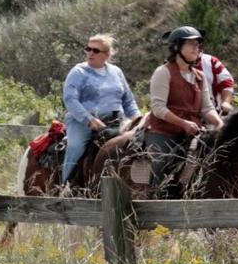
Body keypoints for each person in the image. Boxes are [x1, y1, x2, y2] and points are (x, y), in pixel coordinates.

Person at [142, 25, 223, 197]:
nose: (197, 48)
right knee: (161, 162)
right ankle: (156, 199)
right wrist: (183, 123)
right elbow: (158, 108)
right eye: (191, 44)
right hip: (163, 132)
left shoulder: (200, 76)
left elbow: (207, 108)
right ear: (177, 47)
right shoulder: (163, 72)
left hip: (193, 132)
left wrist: (219, 123)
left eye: (198, 44)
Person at [60, 32, 139, 189]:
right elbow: (70, 99)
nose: (90, 53)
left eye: (95, 50)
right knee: (75, 146)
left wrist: (138, 118)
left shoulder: (116, 72)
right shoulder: (78, 72)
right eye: (88, 49)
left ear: (107, 54)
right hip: (82, 121)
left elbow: (128, 100)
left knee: (135, 144)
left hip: (116, 120)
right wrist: (89, 120)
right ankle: (66, 185)